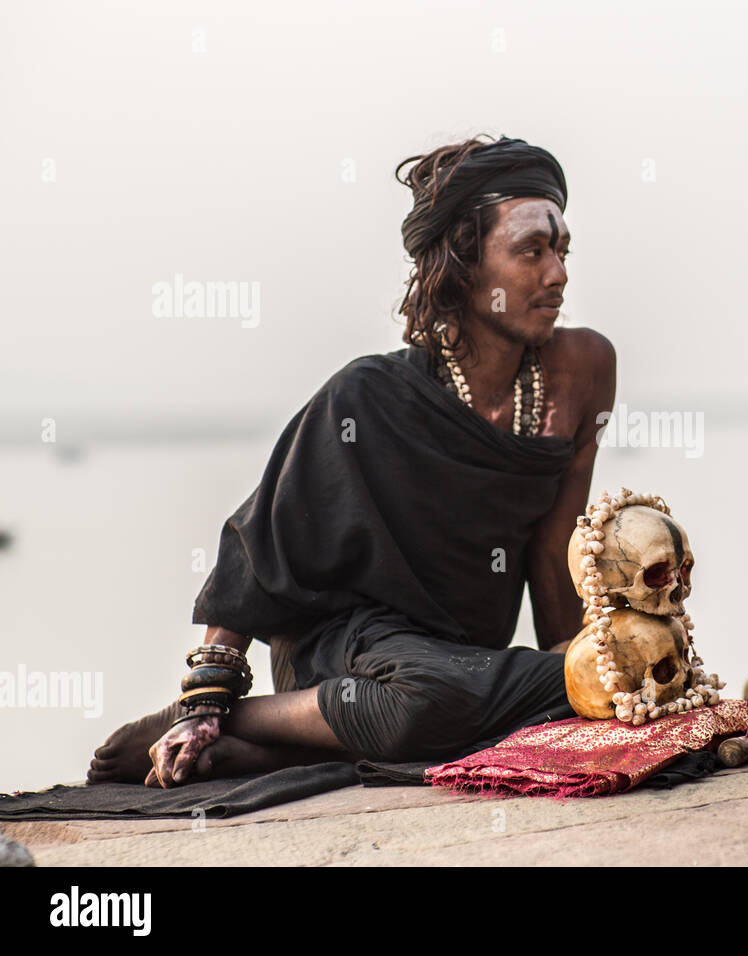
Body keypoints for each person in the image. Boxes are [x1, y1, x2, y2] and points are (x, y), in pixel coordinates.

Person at [87, 134, 616, 787]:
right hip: (347, 650)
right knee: (429, 694)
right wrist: (204, 700)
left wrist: (574, 668)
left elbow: (555, 541)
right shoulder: (366, 394)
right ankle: (247, 720)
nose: (558, 274)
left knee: (608, 676)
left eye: (562, 250)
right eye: (532, 251)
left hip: (464, 662)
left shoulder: (582, 371)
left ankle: (291, 747)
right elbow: (259, 549)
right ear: (465, 263)